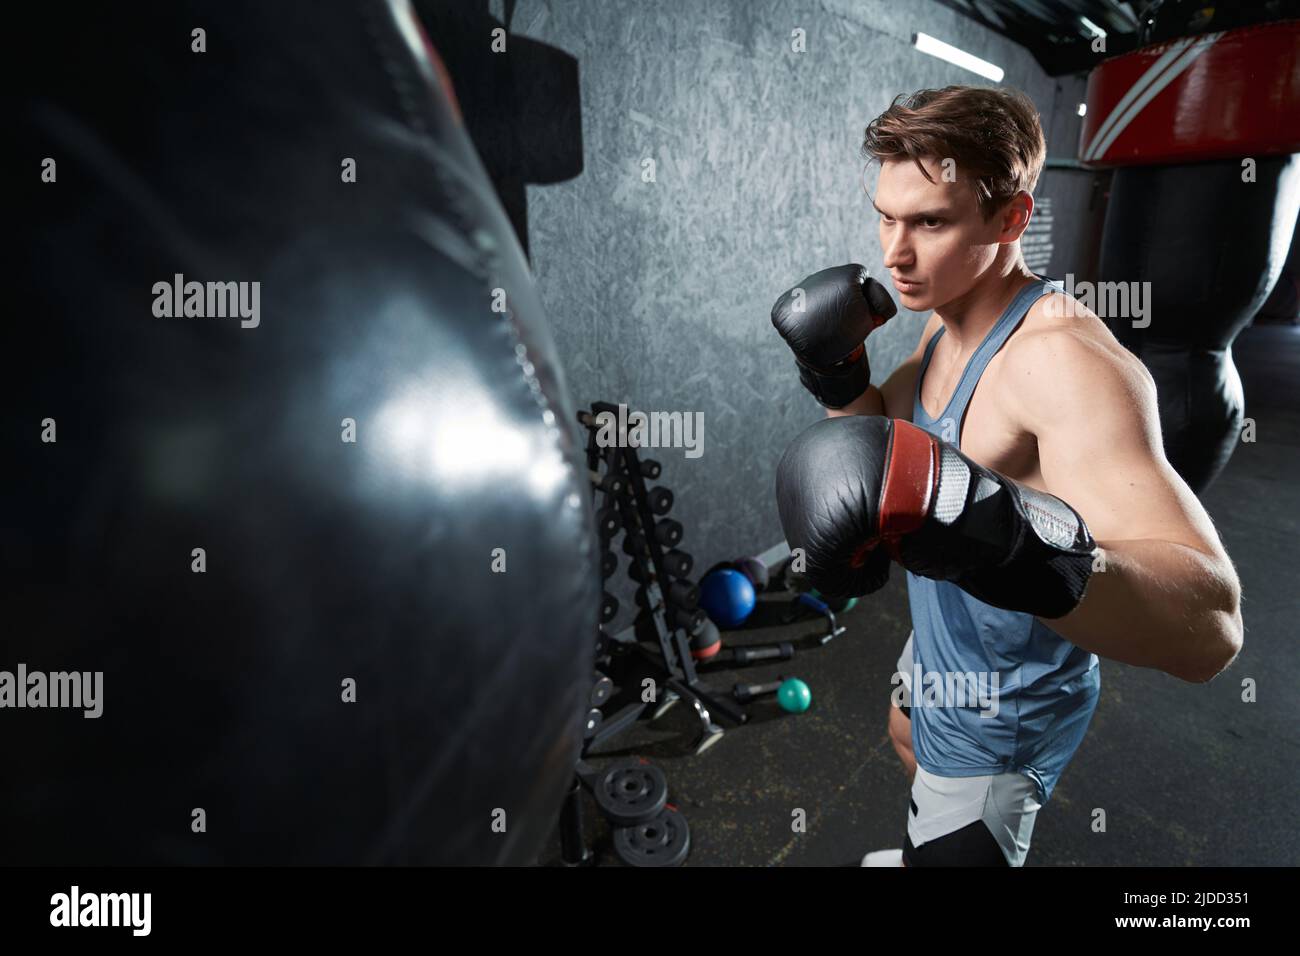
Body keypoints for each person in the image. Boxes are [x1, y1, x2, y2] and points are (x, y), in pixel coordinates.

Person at [770, 86, 1243, 867]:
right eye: (887, 216)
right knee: (904, 732)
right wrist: (836, 376)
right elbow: (881, 442)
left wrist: (1009, 539)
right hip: (941, 647)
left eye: (930, 222)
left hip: (1006, 708)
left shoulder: (1065, 364)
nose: (894, 253)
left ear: (1012, 219)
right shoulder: (945, 312)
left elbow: (1213, 631)